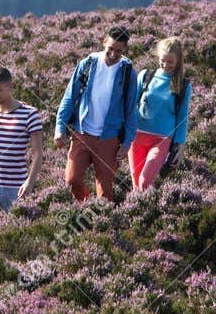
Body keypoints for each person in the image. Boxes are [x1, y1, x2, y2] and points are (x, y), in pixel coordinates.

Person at [55, 25, 139, 202]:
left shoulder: (128, 72)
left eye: (119, 51)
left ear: (124, 49)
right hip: (82, 133)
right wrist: (59, 128)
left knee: (105, 191)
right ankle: (85, 207)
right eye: (110, 48)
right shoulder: (88, 63)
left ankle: (102, 223)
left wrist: (127, 142)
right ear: (103, 42)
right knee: (72, 180)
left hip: (109, 138)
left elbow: (132, 109)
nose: (114, 54)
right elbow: (69, 97)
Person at [0, 66, 44, 229]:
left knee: (17, 234)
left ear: (10, 87)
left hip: (16, 186)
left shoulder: (30, 114)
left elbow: (38, 153)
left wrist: (29, 183)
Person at [130, 36, 192, 193]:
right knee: (136, 184)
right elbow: (131, 106)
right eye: (162, 60)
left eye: (170, 62)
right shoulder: (145, 76)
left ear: (178, 61)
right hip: (136, 137)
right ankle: (140, 213)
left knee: (144, 182)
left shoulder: (184, 85)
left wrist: (180, 144)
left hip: (161, 140)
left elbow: (182, 117)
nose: (165, 65)